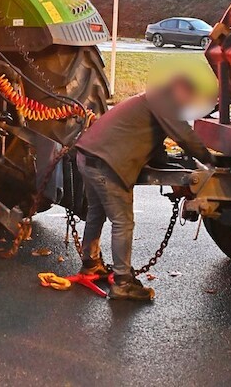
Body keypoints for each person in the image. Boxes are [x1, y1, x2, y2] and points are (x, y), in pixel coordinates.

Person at [73, 75, 215, 301]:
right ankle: (122, 283)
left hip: (88, 157)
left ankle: (91, 264)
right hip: (106, 165)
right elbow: (184, 136)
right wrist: (210, 160)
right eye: (188, 99)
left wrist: (173, 167)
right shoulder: (164, 102)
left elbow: (155, 148)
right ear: (180, 90)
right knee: (123, 222)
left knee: (96, 213)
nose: (186, 105)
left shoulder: (149, 100)